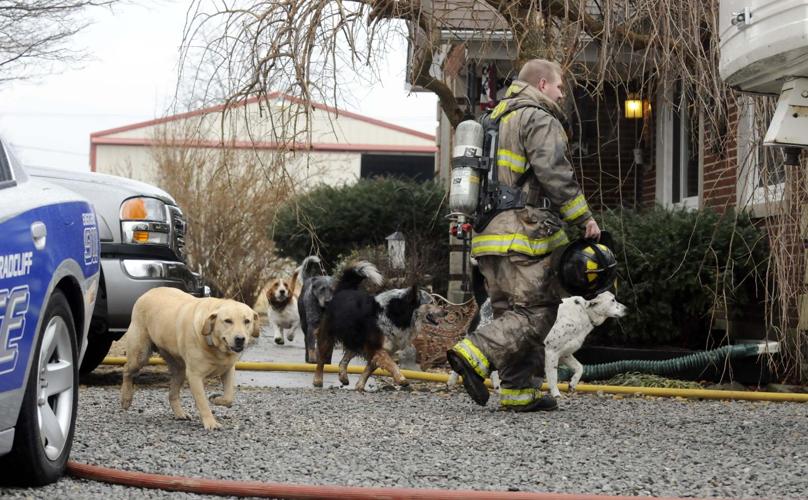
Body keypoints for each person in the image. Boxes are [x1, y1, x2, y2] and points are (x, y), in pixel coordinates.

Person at [447, 59, 601, 412]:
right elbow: (554, 173)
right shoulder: (537, 117)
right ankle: (474, 352)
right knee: (536, 311)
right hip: (523, 233)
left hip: (488, 235)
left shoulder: (492, 119)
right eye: (560, 87)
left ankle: (518, 392)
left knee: (509, 313)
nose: (562, 94)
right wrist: (583, 218)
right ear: (542, 83)